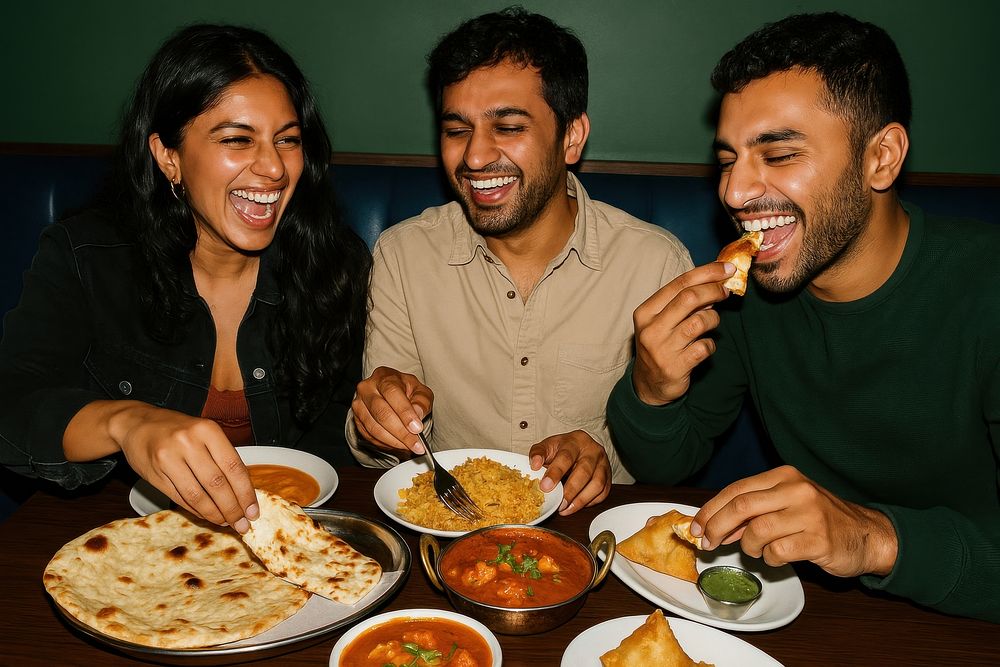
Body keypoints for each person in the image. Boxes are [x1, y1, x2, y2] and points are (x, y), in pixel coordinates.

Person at [607, 12, 1000, 622]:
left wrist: (871, 540)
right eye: (729, 158)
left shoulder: (986, 291)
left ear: (883, 158)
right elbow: (670, 465)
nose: (735, 192)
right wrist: (653, 389)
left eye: (781, 153)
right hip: (817, 621)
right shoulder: (753, 296)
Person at [0, 25, 371, 532]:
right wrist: (127, 422)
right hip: (118, 544)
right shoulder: (86, 256)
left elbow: (338, 442)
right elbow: (12, 407)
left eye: (287, 140)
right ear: (168, 155)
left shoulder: (332, 262)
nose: (274, 168)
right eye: (237, 140)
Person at [348, 7, 692, 514]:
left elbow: (677, 452)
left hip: (594, 535)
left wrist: (602, 455)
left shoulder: (655, 264)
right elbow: (383, 461)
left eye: (508, 126)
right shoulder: (404, 254)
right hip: (445, 528)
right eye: (457, 129)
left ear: (572, 138)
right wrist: (379, 420)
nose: (475, 157)